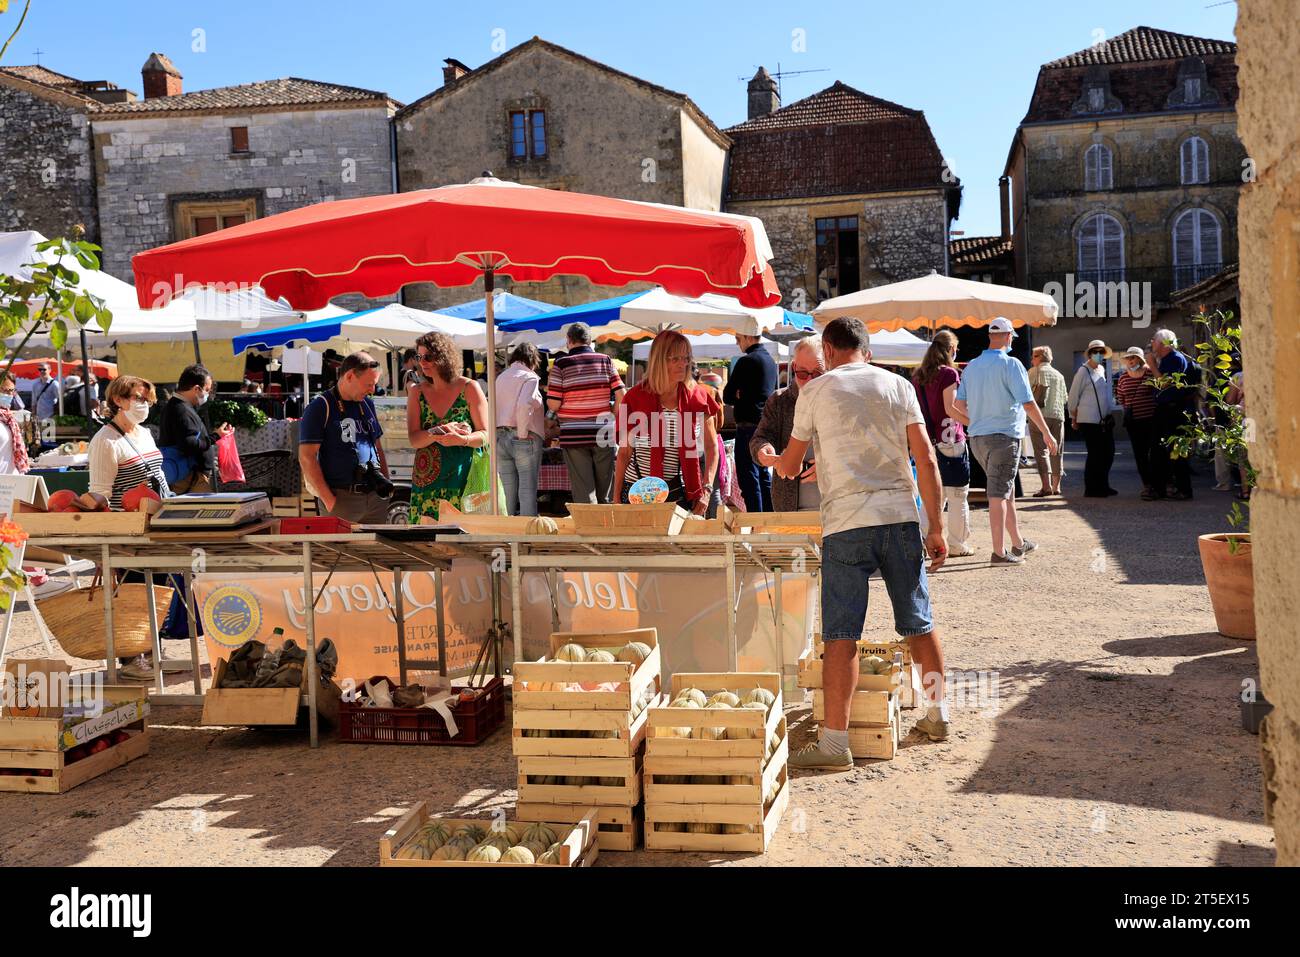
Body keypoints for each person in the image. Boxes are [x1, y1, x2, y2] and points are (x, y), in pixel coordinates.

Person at [775, 317, 951, 768]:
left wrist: (777, 461)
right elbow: (926, 459)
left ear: (829, 351)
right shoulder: (898, 386)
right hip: (898, 516)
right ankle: (938, 712)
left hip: (845, 522)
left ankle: (835, 746)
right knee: (918, 621)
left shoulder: (814, 391)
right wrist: (937, 526)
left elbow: (791, 466)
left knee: (841, 635)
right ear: (865, 348)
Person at [953, 318, 1058, 565]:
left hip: (978, 438)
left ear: (991, 336)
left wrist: (978, 422)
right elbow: (1028, 403)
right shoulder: (1012, 364)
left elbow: (956, 407)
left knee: (1005, 490)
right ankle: (999, 552)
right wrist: (1046, 432)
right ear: (1009, 335)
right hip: (1004, 436)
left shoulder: (972, 366)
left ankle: (1018, 543)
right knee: (999, 494)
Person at [616, 331, 720, 517]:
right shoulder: (634, 397)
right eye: (675, 358)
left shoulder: (699, 397)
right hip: (635, 490)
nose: (683, 364)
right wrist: (616, 500)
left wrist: (707, 490)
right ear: (659, 360)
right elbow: (624, 453)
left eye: (686, 358)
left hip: (681, 493)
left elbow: (712, 448)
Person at [298, 350, 391, 524]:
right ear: (349, 376)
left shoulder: (368, 404)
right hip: (341, 499)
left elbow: (377, 446)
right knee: (340, 551)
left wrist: (386, 485)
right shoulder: (320, 406)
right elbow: (306, 457)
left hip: (375, 497)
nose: (372, 390)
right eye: (369, 384)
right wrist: (329, 501)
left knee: (377, 551)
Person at [406, 332, 490, 522]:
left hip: (463, 480)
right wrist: (439, 431)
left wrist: (463, 439)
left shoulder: (469, 387)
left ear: (443, 356)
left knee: (462, 540)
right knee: (425, 543)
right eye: (419, 357)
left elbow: (486, 434)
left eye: (427, 357)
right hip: (426, 484)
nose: (422, 362)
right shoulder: (416, 392)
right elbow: (414, 439)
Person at [547, 322, 625, 505]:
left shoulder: (561, 364)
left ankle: (590, 529)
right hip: (603, 431)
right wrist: (612, 413)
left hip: (574, 434)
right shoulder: (605, 360)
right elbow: (622, 394)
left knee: (584, 490)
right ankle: (607, 527)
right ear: (589, 341)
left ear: (569, 341)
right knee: (605, 488)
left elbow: (554, 404)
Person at [912, 330, 974, 556]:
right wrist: (974, 424)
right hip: (951, 441)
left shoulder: (918, 376)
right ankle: (957, 544)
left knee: (931, 497)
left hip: (927, 442)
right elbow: (950, 408)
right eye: (955, 349)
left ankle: (921, 540)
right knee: (958, 497)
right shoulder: (949, 374)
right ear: (950, 349)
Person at [752, 337, 825, 512]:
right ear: (793, 367)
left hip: (833, 507)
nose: (809, 380)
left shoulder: (837, 400)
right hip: (788, 506)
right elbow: (760, 437)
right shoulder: (779, 400)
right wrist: (763, 450)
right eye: (802, 373)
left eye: (817, 373)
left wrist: (829, 467)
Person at [88, 376, 172, 510]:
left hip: (157, 513)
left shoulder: (145, 433)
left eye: (147, 400)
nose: (144, 404)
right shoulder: (105, 441)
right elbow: (100, 493)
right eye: (139, 398)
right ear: (118, 399)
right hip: (129, 520)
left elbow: (158, 473)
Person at [158, 364, 233, 494]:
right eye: (207, 390)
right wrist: (215, 436)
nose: (208, 395)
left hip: (189, 476)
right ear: (197, 389)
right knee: (199, 513)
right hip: (190, 478)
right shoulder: (181, 410)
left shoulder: (180, 406)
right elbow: (189, 443)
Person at [724, 333, 777, 512]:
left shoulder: (746, 361)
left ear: (747, 337)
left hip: (747, 425)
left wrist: (739, 395)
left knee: (748, 476)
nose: (737, 344)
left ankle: (756, 518)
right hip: (766, 424)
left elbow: (728, 395)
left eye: (738, 339)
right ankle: (769, 517)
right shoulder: (770, 361)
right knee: (763, 474)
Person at [494, 342, 545, 516]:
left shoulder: (500, 378)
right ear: (533, 360)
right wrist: (523, 434)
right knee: (527, 490)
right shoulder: (529, 377)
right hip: (523, 436)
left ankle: (508, 532)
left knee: (507, 492)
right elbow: (524, 405)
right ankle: (527, 533)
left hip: (500, 436)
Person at [1145, 329, 1195, 501]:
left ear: (1162, 343)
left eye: (1154, 341)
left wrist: (1152, 366)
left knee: (1173, 450)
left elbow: (1165, 384)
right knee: (1159, 450)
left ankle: (1181, 489)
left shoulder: (1174, 359)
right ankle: (1161, 488)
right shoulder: (1168, 359)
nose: (1152, 345)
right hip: (1165, 409)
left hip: (1172, 410)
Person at [1067, 339, 1118, 498]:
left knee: (1108, 453)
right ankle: (1092, 489)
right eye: (1095, 352)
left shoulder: (1101, 369)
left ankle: (1103, 485)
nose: (1098, 355)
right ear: (1089, 354)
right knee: (1095, 454)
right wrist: (1073, 418)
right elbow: (1073, 396)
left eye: (1101, 352)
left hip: (1103, 419)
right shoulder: (1083, 371)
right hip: (1088, 420)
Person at [1114, 346, 1160, 498]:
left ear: (1140, 359)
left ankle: (1157, 484)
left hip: (1151, 420)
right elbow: (1121, 398)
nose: (1130, 361)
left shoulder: (1149, 374)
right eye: (1128, 358)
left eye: (1133, 358)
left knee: (1154, 453)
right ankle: (1147, 486)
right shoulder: (1123, 378)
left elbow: (1158, 391)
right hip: (1133, 422)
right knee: (1140, 455)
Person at [1027, 346, 1067, 496]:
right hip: (1057, 416)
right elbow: (1064, 398)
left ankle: (1046, 486)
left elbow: (1025, 394)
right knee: (1057, 451)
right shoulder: (1059, 375)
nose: (1031, 360)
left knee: (1041, 451)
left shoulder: (1033, 372)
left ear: (1039, 357)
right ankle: (1057, 487)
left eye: (1033, 356)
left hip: (1038, 416)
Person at [0, 375, 30, 475]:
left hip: (13, 484)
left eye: (12, 390)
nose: (9, 394)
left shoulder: (9, 419)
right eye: (5, 390)